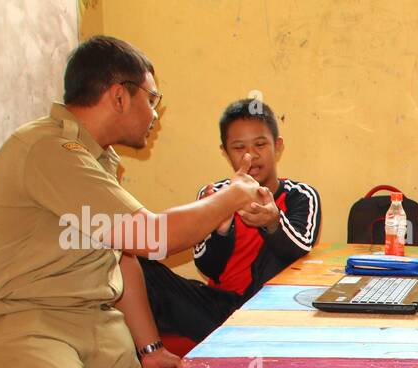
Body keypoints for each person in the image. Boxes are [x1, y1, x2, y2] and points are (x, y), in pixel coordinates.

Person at [0, 35, 269, 368]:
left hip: (89, 320)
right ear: (120, 96)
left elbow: (125, 257)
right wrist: (233, 195)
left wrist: (150, 348)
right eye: (152, 99)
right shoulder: (48, 150)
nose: (155, 114)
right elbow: (152, 237)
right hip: (26, 320)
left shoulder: (98, 156)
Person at [135, 98, 321, 342]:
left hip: (272, 311)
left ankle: (257, 335)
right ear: (225, 151)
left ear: (277, 146)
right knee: (137, 265)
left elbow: (301, 249)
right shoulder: (214, 196)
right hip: (220, 310)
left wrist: (273, 221)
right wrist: (222, 231)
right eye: (238, 147)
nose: (251, 156)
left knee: (279, 254)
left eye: (260, 144)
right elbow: (207, 267)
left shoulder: (301, 195)